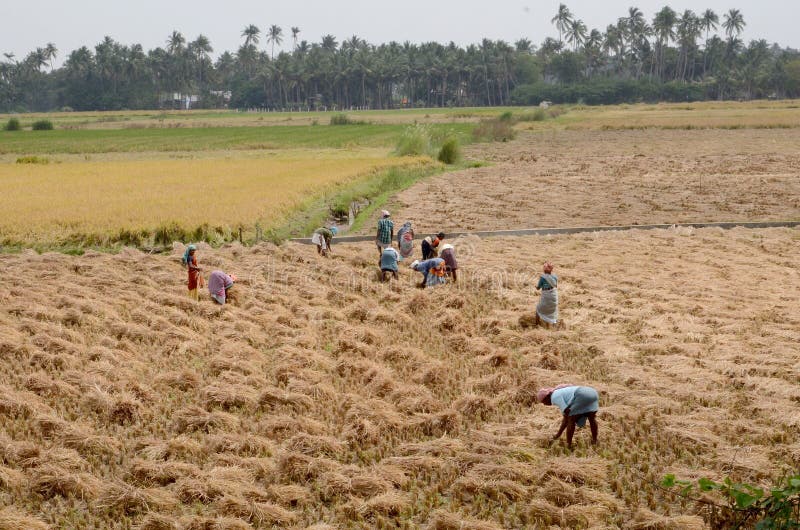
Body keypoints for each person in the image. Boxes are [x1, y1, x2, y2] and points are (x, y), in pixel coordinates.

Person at [534, 261, 559, 328]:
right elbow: (556, 286)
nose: (544, 268)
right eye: (544, 267)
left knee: (538, 309)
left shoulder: (543, 277)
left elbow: (538, 288)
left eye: (545, 267)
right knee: (552, 310)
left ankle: (536, 325)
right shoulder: (555, 276)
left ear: (550, 269)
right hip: (554, 295)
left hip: (546, 295)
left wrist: (536, 287)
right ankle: (552, 325)